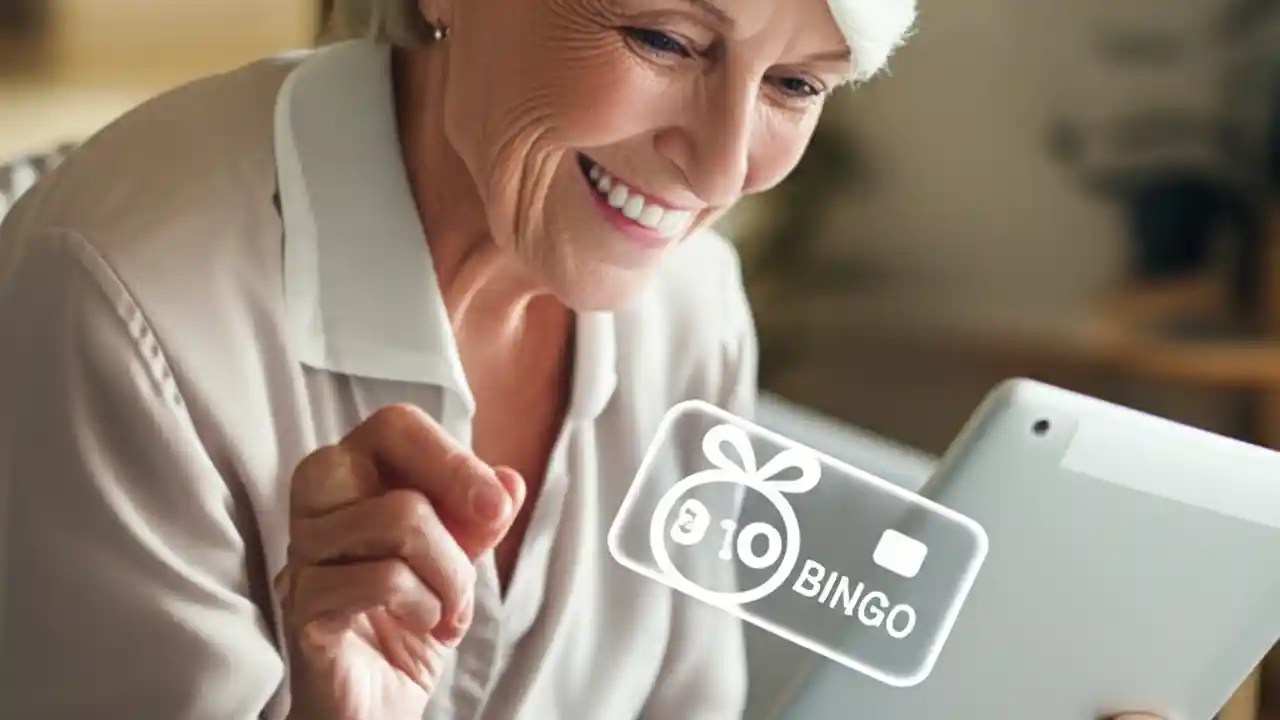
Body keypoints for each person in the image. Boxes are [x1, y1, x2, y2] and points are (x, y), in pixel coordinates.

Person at [0, 0, 1166, 717]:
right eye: (664, 38)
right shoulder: (124, 304)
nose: (720, 166)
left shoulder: (691, 307)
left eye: (794, 84)